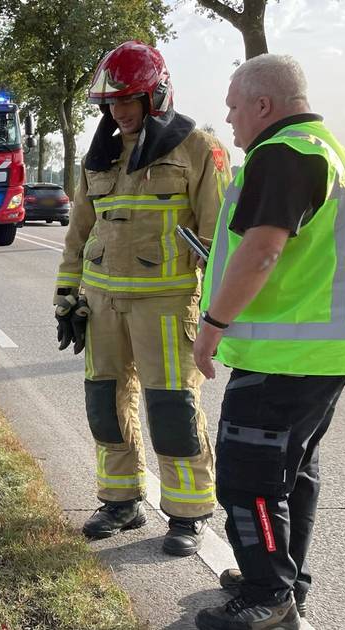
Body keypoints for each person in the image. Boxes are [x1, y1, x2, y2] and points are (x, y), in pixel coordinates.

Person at [192, 54, 345, 630]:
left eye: (232, 106)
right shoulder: (329, 151)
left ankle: (268, 596)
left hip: (284, 358)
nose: (228, 119)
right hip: (320, 353)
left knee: (248, 481)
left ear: (263, 105)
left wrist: (212, 325)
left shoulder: (282, 153)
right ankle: (281, 575)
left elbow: (263, 249)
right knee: (290, 474)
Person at [55, 41, 231, 556]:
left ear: (157, 93)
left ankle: (189, 512)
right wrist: (67, 295)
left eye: (128, 100)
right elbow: (78, 233)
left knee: (172, 408)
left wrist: (220, 313)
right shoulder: (101, 152)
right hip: (104, 304)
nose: (119, 112)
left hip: (168, 305)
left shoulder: (199, 148)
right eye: (111, 103)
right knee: (105, 405)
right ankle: (121, 501)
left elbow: (220, 236)